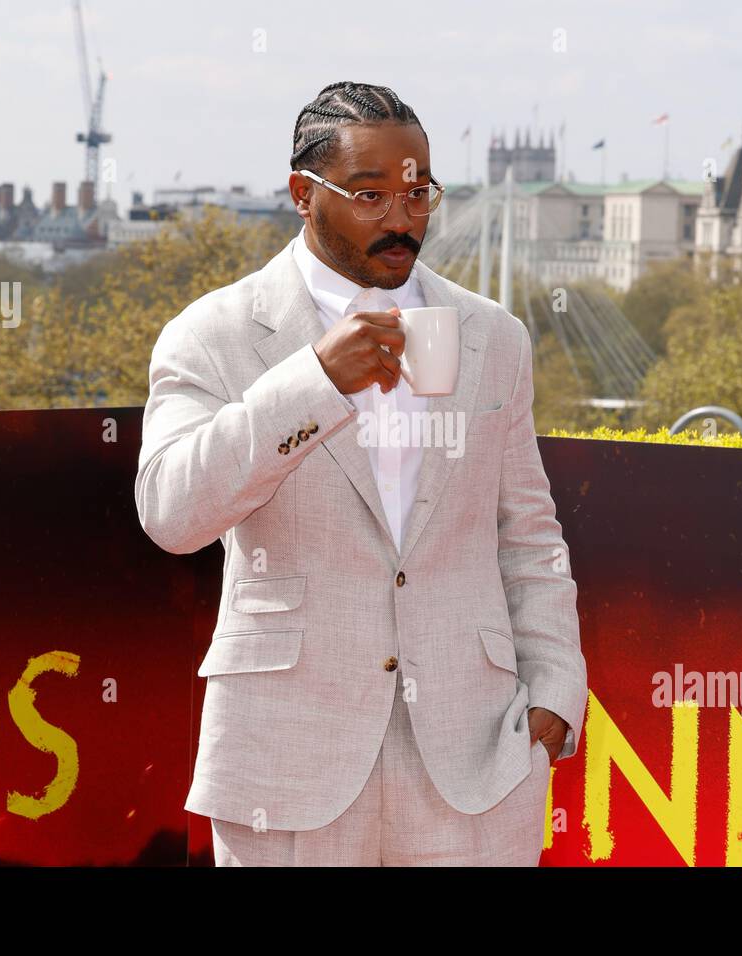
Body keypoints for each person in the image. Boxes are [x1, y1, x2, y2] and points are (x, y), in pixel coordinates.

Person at [134, 81, 587, 865]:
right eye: (371, 196)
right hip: (287, 755)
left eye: (418, 193)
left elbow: (528, 530)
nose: (402, 219)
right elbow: (172, 515)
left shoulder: (492, 338)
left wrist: (553, 688)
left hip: (476, 757)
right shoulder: (213, 334)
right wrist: (312, 382)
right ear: (303, 194)